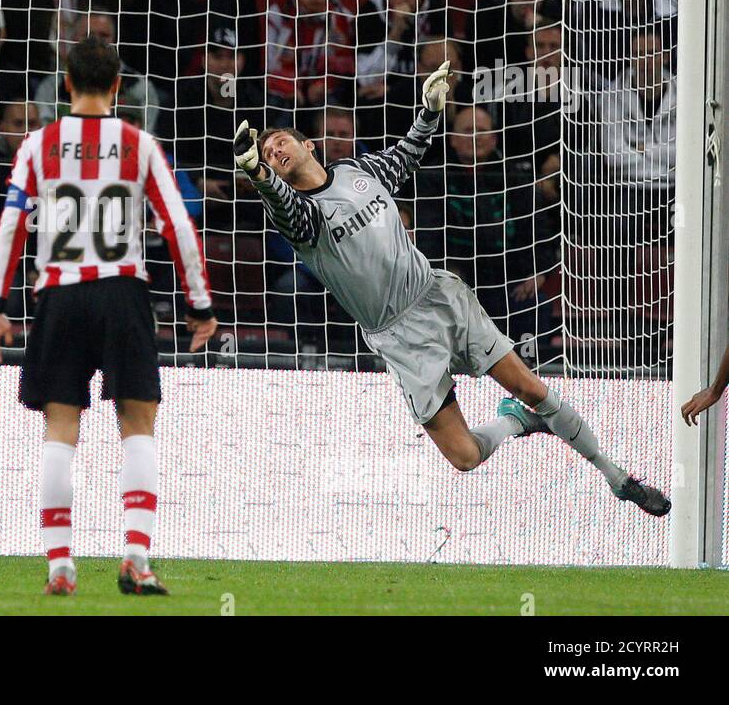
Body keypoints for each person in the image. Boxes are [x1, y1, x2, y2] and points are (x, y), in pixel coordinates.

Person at [232, 61, 671, 517]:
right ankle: (513, 423)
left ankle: (616, 476)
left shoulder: (357, 171)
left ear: (308, 145)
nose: (274, 152)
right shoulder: (302, 217)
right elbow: (282, 206)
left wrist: (429, 111)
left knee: (530, 386)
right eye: (267, 154)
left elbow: (405, 155)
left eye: (279, 142)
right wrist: (260, 178)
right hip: (398, 337)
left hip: (438, 297)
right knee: (464, 456)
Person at [0, 36, 218, 596]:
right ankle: (137, 558)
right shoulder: (140, 143)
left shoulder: (40, 144)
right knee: (137, 424)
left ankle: (60, 565)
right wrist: (200, 306)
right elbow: (178, 227)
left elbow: (11, 226)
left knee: (61, 428)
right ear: (117, 87)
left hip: (59, 297)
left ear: (66, 84)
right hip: (122, 294)